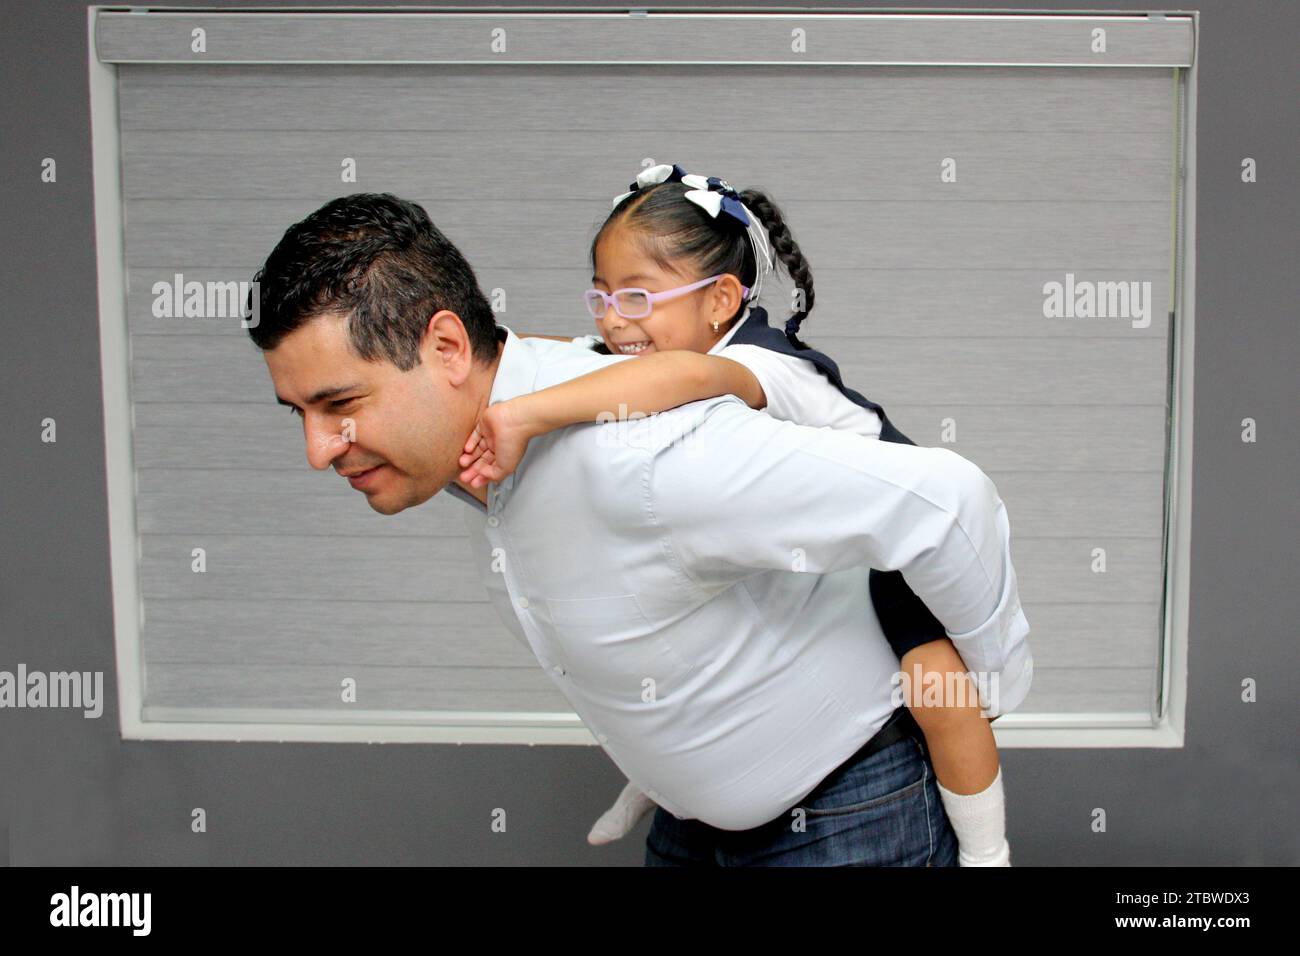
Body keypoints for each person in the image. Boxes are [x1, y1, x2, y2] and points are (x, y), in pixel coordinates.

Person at [248, 191, 1033, 866]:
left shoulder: (650, 454)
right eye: (300, 415)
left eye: (340, 406)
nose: (318, 451)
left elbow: (950, 501)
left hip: (846, 817)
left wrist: (993, 680)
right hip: (694, 824)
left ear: (449, 348)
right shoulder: (491, 437)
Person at [457, 164, 1017, 865]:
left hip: (888, 546)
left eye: (636, 297)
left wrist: (522, 412)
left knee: (938, 688)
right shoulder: (664, 345)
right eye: (599, 295)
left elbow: (676, 380)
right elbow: (579, 363)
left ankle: (987, 849)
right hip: (802, 548)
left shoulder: (759, 363)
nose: (610, 319)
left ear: (720, 299)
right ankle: (663, 778)